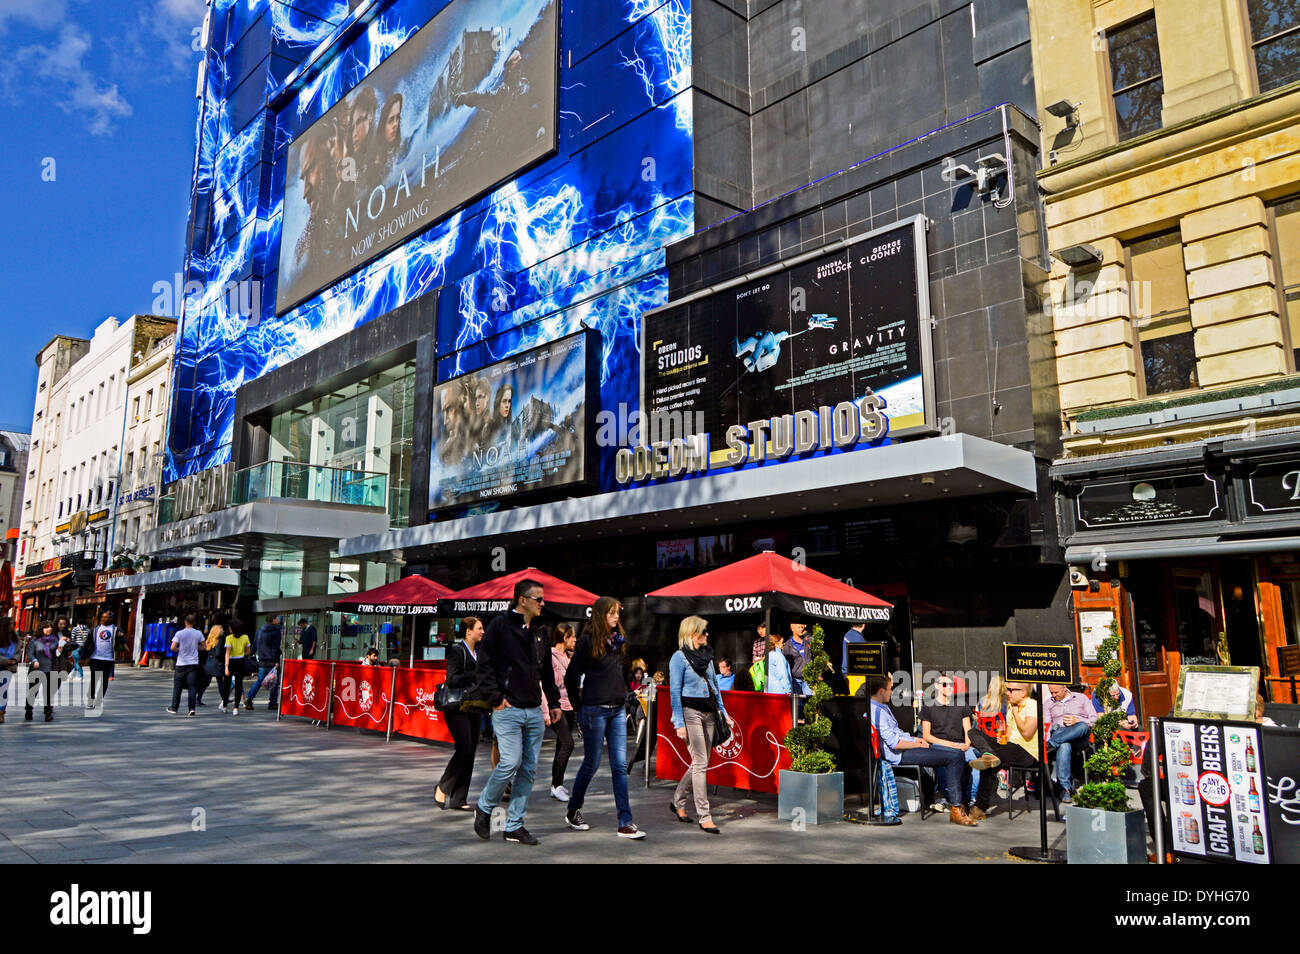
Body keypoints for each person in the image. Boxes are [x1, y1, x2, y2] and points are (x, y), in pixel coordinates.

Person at [474, 578, 560, 845]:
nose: (543, 604)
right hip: (507, 709)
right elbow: (484, 666)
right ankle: (485, 806)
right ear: (523, 600)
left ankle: (514, 825)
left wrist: (554, 702)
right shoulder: (500, 626)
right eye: (539, 599)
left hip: (533, 710)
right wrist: (495, 699)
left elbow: (545, 669)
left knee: (529, 769)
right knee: (510, 762)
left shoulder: (540, 630)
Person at [563, 597, 645, 839]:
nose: (616, 616)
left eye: (617, 613)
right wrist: (579, 707)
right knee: (592, 763)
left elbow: (621, 672)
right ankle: (573, 809)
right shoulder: (587, 642)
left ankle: (625, 822)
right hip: (594, 710)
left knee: (619, 767)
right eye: (611, 613)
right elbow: (571, 677)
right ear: (601, 615)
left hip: (617, 709)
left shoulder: (618, 641)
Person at [869, 675, 978, 826]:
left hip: (907, 748)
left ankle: (957, 804)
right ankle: (957, 807)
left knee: (957, 754)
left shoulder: (882, 707)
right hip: (899, 755)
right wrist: (918, 744)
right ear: (881, 691)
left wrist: (915, 739)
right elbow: (895, 743)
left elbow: (898, 734)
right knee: (955, 756)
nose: (892, 692)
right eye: (890, 689)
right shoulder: (876, 711)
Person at [669, 615, 734, 833]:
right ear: (691, 633)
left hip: (709, 713)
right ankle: (704, 815)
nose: (707, 634)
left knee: (701, 762)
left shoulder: (707, 657)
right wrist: (679, 722)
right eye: (703, 631)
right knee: (700, 762)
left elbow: (715, 687)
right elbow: (674, 693)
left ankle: (678, 800)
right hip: (690, 713)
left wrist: (723, 713)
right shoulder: (678, 658)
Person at [965, 682, 1040, 821]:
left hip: (1028, 753)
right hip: (1010, 747)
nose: (1007, 693)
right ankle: (988, 754)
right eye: (1008, 690)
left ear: (1023, 692)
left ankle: (980, 807)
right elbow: (1010, 734)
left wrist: (1016, 713)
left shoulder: (1032, 705)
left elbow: (1027, 733)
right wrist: (1002, 737)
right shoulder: (1012, 706)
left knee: (993, 761)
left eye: (1011, 690)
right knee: (973, 732)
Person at [436, 617, 484, 811]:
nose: (483, 632)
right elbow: (452, 679)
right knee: (464, 749)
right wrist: (473, 673)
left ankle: (459, 798)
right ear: (468, 632)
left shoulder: (480, 652)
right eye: (479, 628)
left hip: (476, 705)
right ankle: (443, 786)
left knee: (471, 751)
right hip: (457, 707)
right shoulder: (457, 651)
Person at [919, 673, 979, 812]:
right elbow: (927, 735)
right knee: (942, 758)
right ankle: (947, 797)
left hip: (960, 745)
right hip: (940, 745)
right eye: (945, 684)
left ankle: (971, 798)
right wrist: (946, 744)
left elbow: (968, 731)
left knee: (977, 761)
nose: (949, 687)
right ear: (937, 686)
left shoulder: (961, 705)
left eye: (951, 684)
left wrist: (966, 744)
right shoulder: (928, 706)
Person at [1043, 683, 1098, 802]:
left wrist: (1078, 720)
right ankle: (1065, 789)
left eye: (1056, 692)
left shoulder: (1081, 698)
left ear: (1064, 688)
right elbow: (1047, 726)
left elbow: (1094, 720)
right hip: (1059, 732)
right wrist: (1047, 737)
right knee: (1064, 745)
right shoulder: (1048, 703)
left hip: (1079, 736)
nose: (1054, 695)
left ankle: (1051, 745)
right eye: (1051, 692)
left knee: (1083, 726)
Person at [549, 623, 577, 801]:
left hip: (571, 706)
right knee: (568, 744)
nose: (575, 640)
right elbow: (547, 683)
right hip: (557, 706)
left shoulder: (571, 657)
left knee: (561, 745)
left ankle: (556, 784)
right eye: (572, 636)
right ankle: (557, 785)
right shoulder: (551, 657)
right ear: (564, 637)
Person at [167, 614, 206, 716]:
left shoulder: (179, 633)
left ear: (185, 621)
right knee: (192, 687)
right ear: (194, 622)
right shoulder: (198, 633)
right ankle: (191, 708)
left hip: (181, 663)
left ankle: (174, 708)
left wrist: (179, 649)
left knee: (177, 687)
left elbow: (172, 647)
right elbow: (204, 647)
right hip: (193, 663)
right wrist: (195, 647)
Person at [245, 615, 282, 710]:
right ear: (273, 620)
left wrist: (251, 654)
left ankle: (249, 698)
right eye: (276, 618)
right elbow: (276, 648)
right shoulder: (276, 631)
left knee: (259, 681)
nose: (278, 620)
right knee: (274, 681)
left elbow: (255, 645)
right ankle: (273, 703)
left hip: (261, 660)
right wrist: (277, 661)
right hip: (272, 661)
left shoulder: (260, 630)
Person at [25, 621, 58, 722]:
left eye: (50, 627)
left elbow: (57, 653)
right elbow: (30, 654)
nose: (49, 629)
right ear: (41, 629)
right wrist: (34, 660)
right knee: (33, 691)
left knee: (48, 693)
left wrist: (62, 647)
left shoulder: (55, 640)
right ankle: (29, 710)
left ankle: (48, 713)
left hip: (49, 669)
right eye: (46, 627)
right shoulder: (34, 641)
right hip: (36, 669)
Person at [87, 610, 116, 706]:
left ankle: (99, 699)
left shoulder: (115, 629)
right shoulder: (95, 629)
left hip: (108, 659)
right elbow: (88, 643)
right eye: (103, 617)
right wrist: (84, 655)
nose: (104, 619)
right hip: (95, 658)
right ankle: (90, 699)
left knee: (104, 681)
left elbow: (122, 641)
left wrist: (121, 637)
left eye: (107, 617)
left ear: (111, 619)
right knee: (94, 679)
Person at [223, 618, 251, 714]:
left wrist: (226, 667)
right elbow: (248, 651)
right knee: (238, 685)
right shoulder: (245, 637)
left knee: (227, 685)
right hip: (241, 662)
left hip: (231, 662)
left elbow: (227, 653)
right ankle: (236, 709)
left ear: (232, 629)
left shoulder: (229, 638)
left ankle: (225, 705)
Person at [0, 618, 20, 723]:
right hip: (3, 664)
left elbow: (18, 653)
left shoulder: (15, 639)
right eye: (10, 624)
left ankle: (1, 712)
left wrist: (14, 660)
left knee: (3, 690)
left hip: (7, 669)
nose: (12, 626)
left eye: (13, 624)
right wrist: (6, 661)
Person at [786, 621, 811, 695]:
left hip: (808, 678)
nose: (801, 629)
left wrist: (807, 636)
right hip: (795, 679)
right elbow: (787, 663)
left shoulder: (807, 641)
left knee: (809, 700)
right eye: (799, 627)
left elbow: (816, 649)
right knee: (798, 704)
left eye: (802, 627)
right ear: (792, 628)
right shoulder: (788, 645)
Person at [55, 616, 82, 680]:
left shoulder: (67, 633)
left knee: (60, 678)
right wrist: (60, 641)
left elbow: (72, 644)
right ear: (57, 624)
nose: (63, 626)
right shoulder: (53, 633)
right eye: (61, 624)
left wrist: (68, 641)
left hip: (63, 657)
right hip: (54, 657)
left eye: (64, 624)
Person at [766, 630, 793, 695]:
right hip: (781, 690)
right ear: (776, 644)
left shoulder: (769, 655)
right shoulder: (779, 656)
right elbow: (783, 675)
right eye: (782, 642)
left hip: (770, 690)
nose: (784, 644)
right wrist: (788, 689)